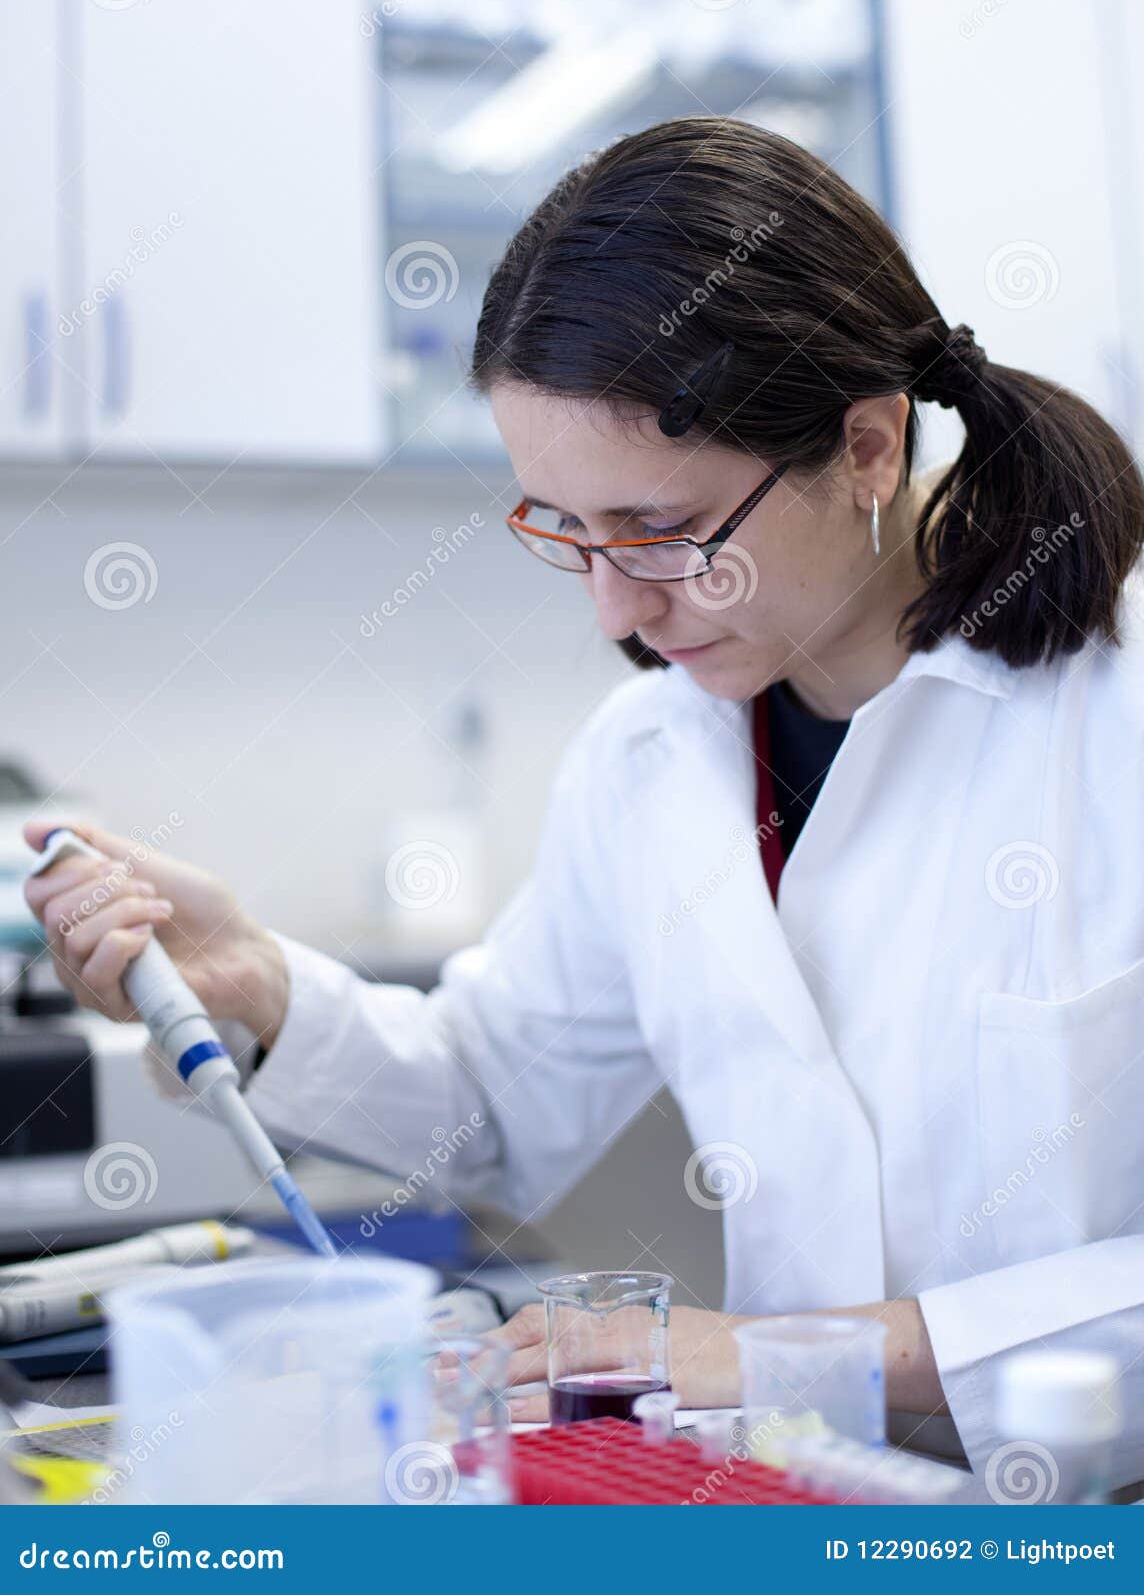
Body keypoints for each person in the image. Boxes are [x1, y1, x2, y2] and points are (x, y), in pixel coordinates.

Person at [25, 118, 1144, 1482]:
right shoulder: (650, 762)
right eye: (567, 528)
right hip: (820, 1498)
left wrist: (813, 1345)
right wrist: (257, 986)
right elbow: (493, 1104)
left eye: (662, 530)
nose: (615, 604)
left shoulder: (1110, 714)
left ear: (865, 446)